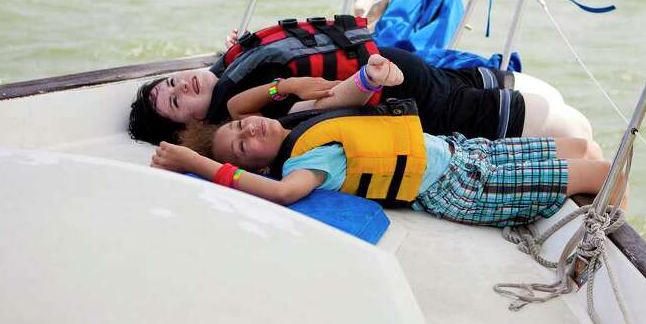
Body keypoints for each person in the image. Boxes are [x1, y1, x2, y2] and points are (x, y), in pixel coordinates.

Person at [151, 55, 620, 226]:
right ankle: (597, 246)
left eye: (242, 127)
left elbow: (237, 108)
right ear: (254, 166)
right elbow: (283, 194)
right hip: (461, 186)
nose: (248, 129)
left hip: (461, 150)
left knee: (578, 150)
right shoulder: (304, 163)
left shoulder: (297, 120)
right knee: (602, 174)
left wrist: (289, 86)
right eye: (242, 145)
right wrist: (197, 163)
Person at [129, 44, 593, 146]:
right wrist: (371, 79)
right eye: (176, 102)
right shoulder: (250, 117)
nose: (181, 86)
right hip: (444, 109)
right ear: (192, 125)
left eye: (171, 82)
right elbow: (323, 104)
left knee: (553, 98)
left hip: (449, 77)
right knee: (576, 129)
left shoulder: (233, 69)